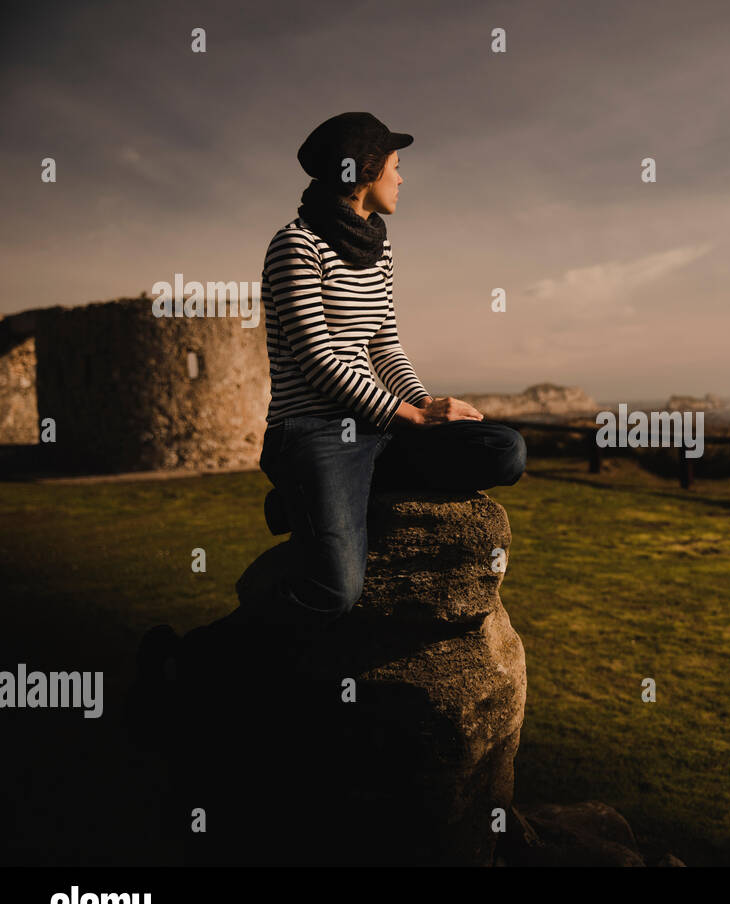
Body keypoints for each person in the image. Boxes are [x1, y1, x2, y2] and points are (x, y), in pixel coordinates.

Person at [137, 112, 526, 691]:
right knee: (333, 591)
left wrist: (424, 404)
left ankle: (303, 508)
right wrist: (411, 416)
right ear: (363, 172)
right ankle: (182, 660)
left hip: (379, 427)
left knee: (505, 451)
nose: (403, 178)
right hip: (314, 432)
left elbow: (383, 345)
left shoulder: (380, 249)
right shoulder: (293, 244)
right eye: (396, 167)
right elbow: (318, 357)